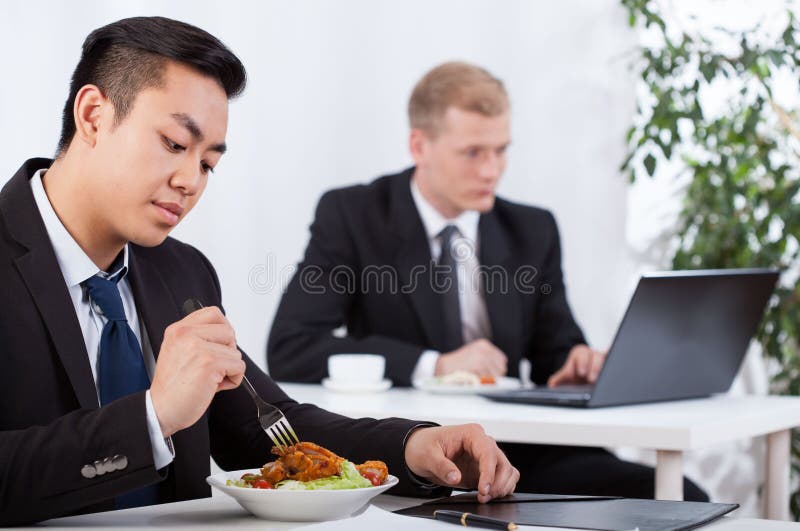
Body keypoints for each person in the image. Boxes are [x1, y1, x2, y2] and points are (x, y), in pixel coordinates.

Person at [0, 20, 519, 526]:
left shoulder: (182, 271)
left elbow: (264, 428)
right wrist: (151, 418)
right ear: (93, 115)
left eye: (208, 163)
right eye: (175, 144)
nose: (189, 181)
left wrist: (412, 446)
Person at [267, 61, 708, 501]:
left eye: (501, 150)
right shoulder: (354, 215)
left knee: (682, 496)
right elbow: (293, 347)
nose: (491, 170)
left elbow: (554, 348)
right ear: (420, 146)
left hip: (524, 452)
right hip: (412, 453)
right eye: (473, 152)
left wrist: (575, 361)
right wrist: (436, 365)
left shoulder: (532, 230)